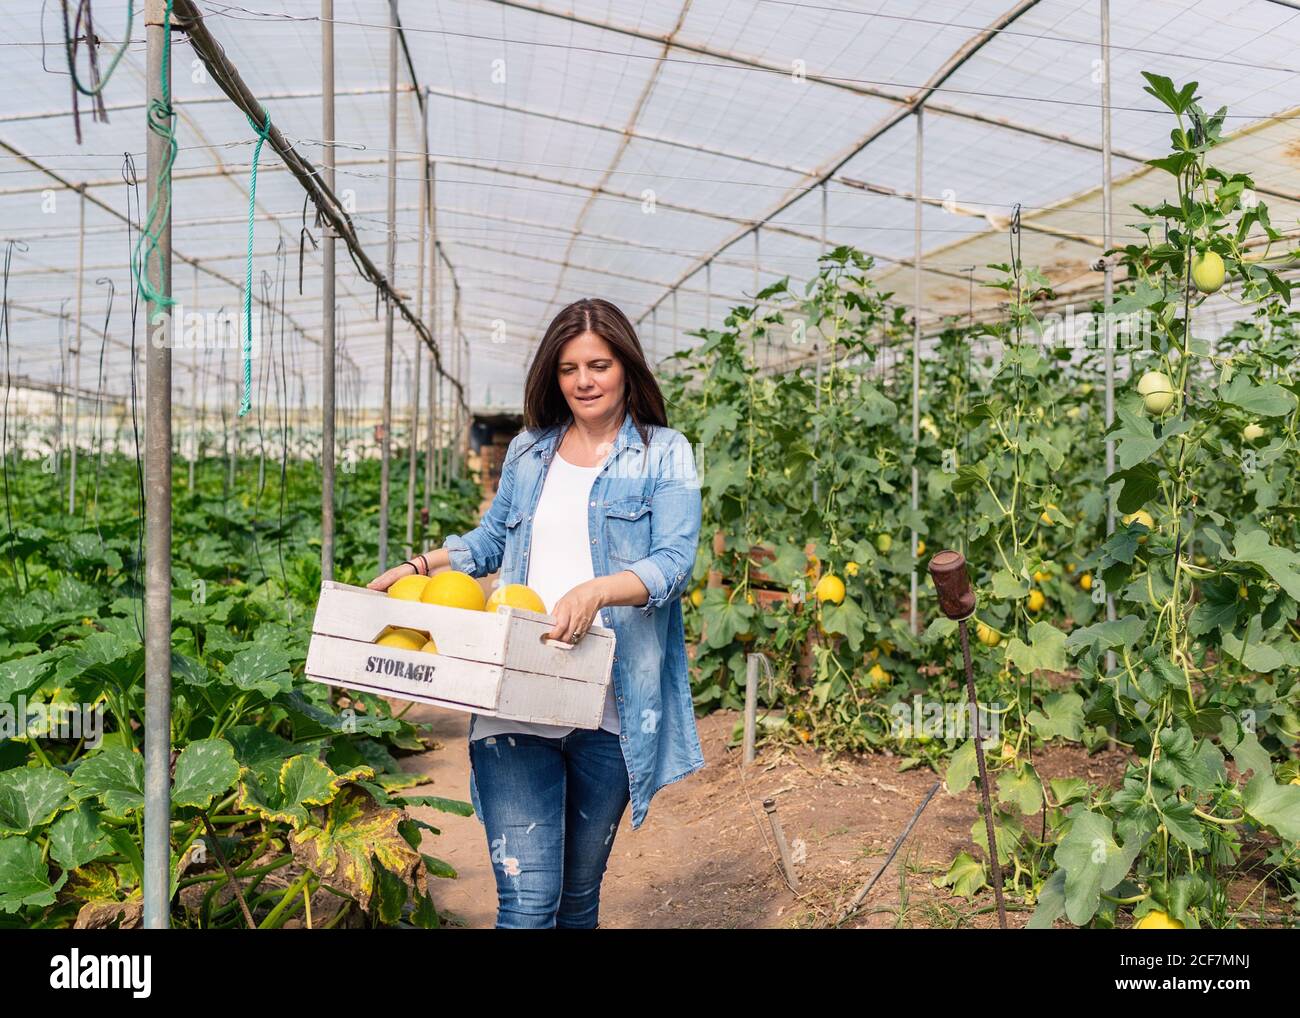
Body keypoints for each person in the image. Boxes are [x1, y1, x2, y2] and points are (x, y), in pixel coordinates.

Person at [367, 298, 704, 928]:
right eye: (569, 368)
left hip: (609, 701)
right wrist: (419, 567)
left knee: (577, 905)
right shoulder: (530, 451)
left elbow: (675, 560)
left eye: (599, 365)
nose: (584, 381)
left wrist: (598, 590)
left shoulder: (666, 453)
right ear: (553, 375)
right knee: (527, 905)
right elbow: (490, 540)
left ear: (626, 366)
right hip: (514, 691)